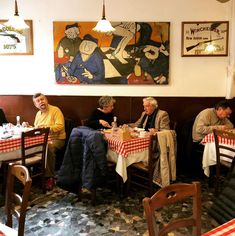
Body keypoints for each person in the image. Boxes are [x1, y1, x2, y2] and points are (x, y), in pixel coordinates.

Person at [23, 93, 66, 190]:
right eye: (38, 101)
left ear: (46, 100)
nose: (41, 102)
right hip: (42, 139)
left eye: (42, 99)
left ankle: (49, 177)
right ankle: (32, 175)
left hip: (57, 139)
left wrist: (46, 128)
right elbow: (37, 128)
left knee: (48, 147)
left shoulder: (55, 110)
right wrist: (28, 126)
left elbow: (60, 126)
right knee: (29, 146)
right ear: (35, 105)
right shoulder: (38, 114)